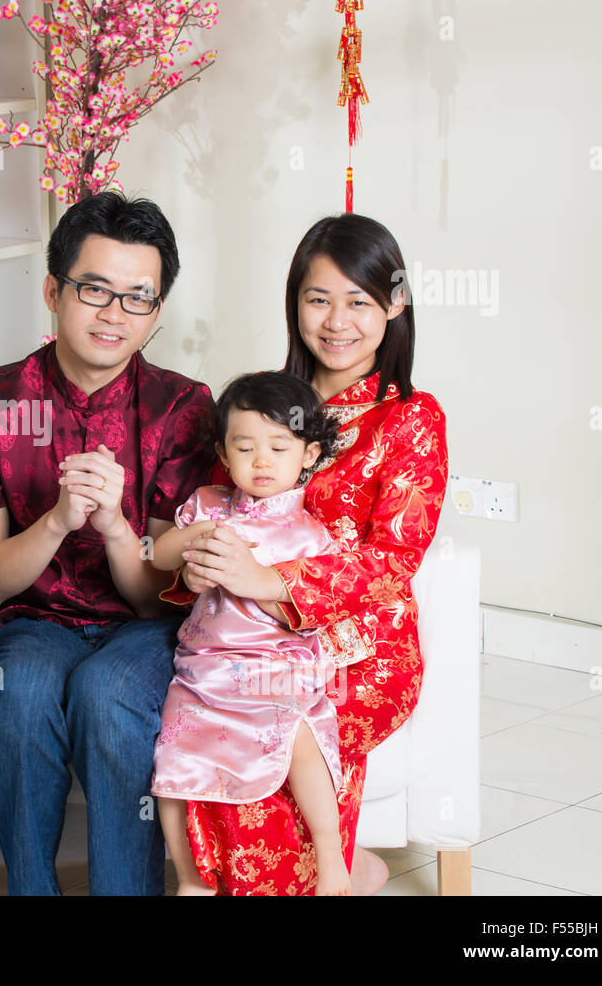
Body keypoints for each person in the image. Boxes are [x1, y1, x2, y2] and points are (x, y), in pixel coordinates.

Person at [0, 192, 214, 895]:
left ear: (157, 312)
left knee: (106, 692)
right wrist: (59, 519)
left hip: (141, 628)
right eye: (95, 290)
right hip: (32, 620)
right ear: (53, 290)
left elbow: (161, 599)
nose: (113, 315)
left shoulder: (183, 406)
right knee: (21, 693)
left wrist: (117, 526)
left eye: (137, 298)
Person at [175, 213, 449, 895]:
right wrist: (198, 561)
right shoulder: (267, 398)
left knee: (272, 739)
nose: (337, 321)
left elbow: (392, 560)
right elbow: (218, 502)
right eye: (318, 298)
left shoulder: (410, 418)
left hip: (361, 645)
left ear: (396, 304)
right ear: (294, 300)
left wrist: (269, 579)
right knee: (195, 711)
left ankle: (331, 874)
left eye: (359, 300)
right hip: (240, 630)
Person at [150, 371, 351, 895]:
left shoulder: (309, 533)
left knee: (300, 732)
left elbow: (311, 612)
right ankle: (190, 877)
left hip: (275, 665)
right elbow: (158, 555)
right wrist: (195, 541)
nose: (261, 461)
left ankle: (331, 857)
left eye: (279, 447)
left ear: (307, 455)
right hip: (206, 669)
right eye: (245, 446)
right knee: (171, 755)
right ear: (224, 451)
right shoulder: (208, 505)